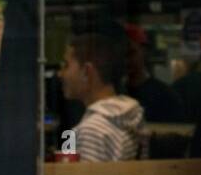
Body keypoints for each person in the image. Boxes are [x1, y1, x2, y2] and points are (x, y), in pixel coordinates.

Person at [58, 19, 143, 162]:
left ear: (86, 72)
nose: (60, 74)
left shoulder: (91, 131)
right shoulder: (130, 115)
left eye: (66, 65)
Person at [123, 23, 185, 123]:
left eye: (131, 53)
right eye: (121, 54)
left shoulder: (165, 96)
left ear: (144, 52)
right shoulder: (115, 93)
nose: (126, 60)